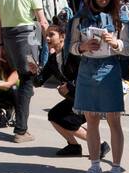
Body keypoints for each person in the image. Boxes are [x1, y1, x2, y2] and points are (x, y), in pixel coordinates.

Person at [71, 0, 129, 173]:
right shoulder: (80, 17)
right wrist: (82, 47)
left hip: (109, 69)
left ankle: (115, 169)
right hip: (86, 70)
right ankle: (95, 165)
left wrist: (115, 42)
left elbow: (127, 47)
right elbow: (72, 46)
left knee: (114, 121)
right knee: (92, 120)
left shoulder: (119, 16)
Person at [0, 0, 49, 143]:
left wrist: (0, 45)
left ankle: (15, 118)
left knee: (15, 77)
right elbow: (42, 20)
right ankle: (21, 129)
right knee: (27, 80)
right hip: (27, 36)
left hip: (8, 36)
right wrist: (51, 37)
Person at [33, 24, 106, 157]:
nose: (47, 38)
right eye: (46, 35)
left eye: (51, 35)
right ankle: (73, 146)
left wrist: (70, 86)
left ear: (62, 37)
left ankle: (101, 144)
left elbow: (87, 75)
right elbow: (39, 81)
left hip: (90, 96)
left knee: (69, 121)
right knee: (54, 115)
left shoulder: (74, 54)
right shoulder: (53, 59)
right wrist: (33, 72)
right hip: (74, 98)